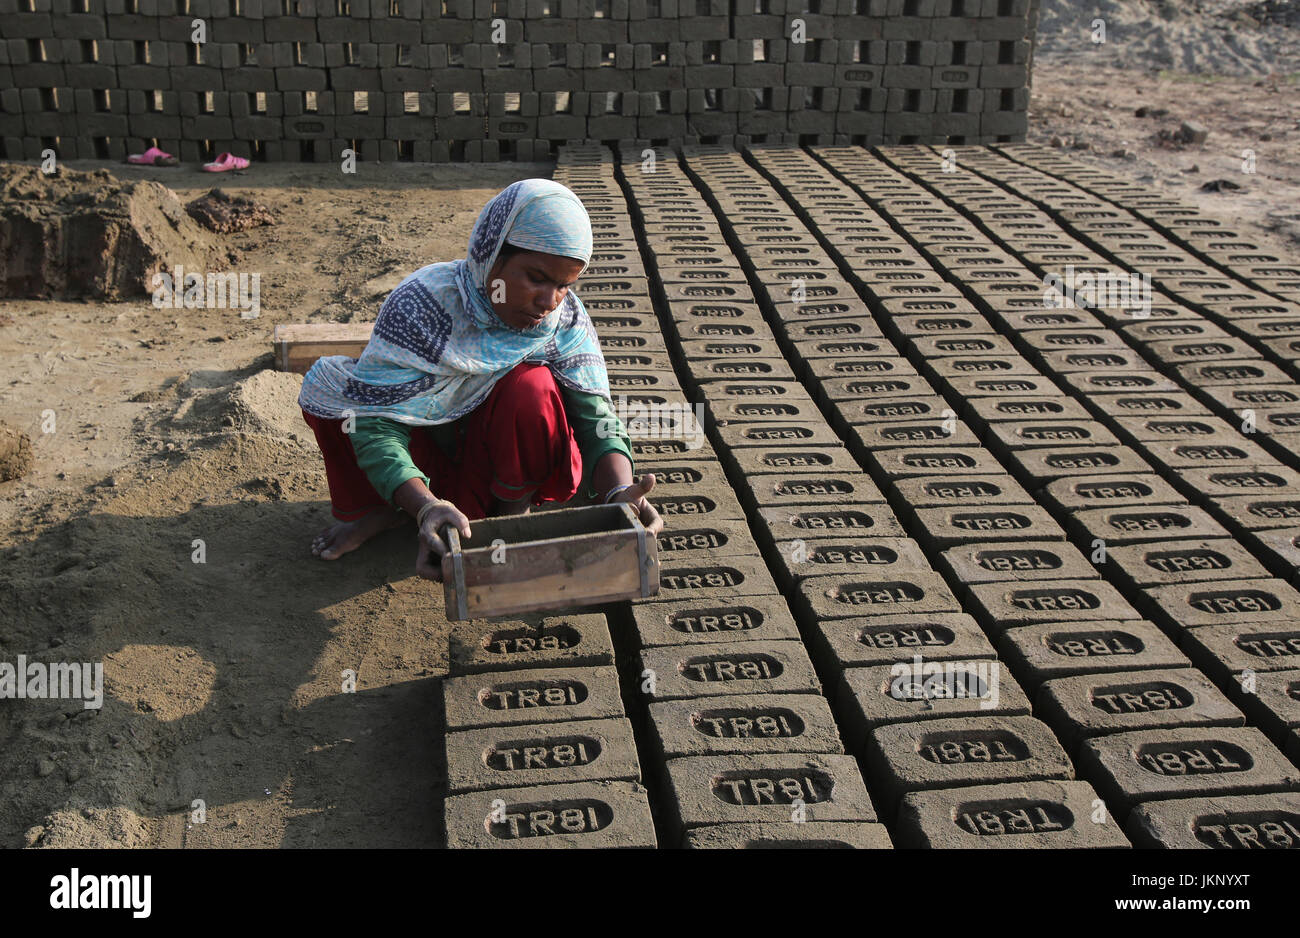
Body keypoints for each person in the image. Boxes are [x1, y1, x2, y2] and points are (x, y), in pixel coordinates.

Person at [298, 178, 663, 580]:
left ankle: (511, 520)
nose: (549, 302)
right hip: (429, 460)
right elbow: (376, 424)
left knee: (533, 387)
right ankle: (391, 509)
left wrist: (617, 492)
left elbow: (597, 417)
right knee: (337, 397)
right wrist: (424, 505)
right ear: (491, 256)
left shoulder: (562, 320)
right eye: (536, 278)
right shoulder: (424, 304)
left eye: (563, 285)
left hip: (493, 467)